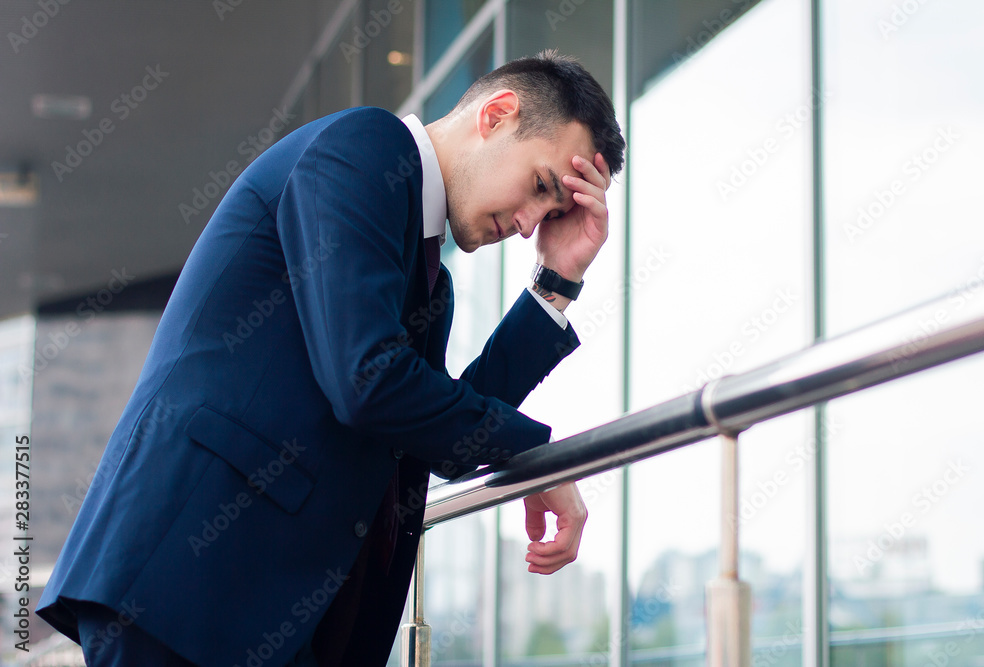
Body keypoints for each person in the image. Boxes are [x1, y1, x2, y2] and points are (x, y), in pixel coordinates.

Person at [36, 50, 626, 666]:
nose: (532, 224)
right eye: (540, 187)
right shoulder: (364, 148)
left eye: (553, 214)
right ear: (497, 115)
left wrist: (556, 281)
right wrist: (533, 450)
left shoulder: (425, 270)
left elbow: (422, 428)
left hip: (266, 608)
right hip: (191, 582)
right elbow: (368, 381)